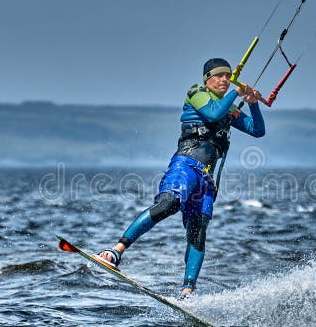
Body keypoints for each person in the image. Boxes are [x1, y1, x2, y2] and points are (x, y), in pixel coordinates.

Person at [97, 57, 266, 296]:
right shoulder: (197, 92)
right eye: (219, 76)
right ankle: (116, 251)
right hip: (185, 165)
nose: (225, 80)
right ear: (207, 79)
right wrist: (237, 92)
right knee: (168, 204)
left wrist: (253, 103)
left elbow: (257, 131)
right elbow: (213, 112)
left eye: (228, 76)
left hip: (207, 180)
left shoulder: (230, 107)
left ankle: (187, 292)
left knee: (198, 231)